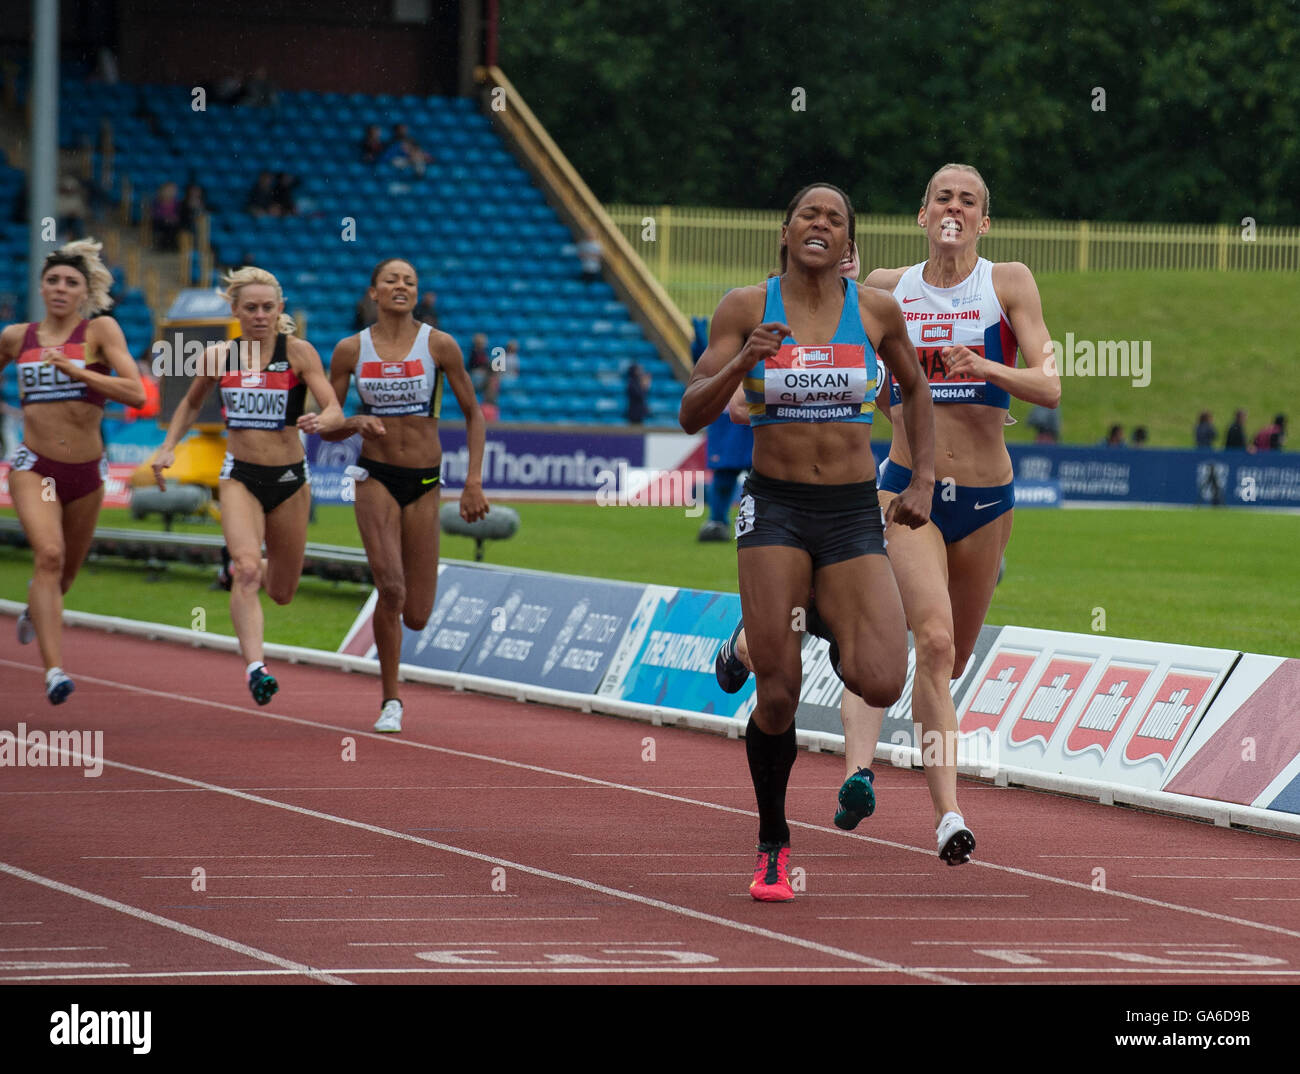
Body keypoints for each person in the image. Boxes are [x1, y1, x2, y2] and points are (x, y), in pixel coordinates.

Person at [717, 165, 1059, 868]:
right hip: (907, 491)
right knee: (929, 645)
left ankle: (756, 638)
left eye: (969, 200)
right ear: (921, 212)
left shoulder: (1009, 282)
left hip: (990, 498)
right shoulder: (887, 287)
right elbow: (865, 376)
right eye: (943, 197)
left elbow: (1049, 385)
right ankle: (947, 818)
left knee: (952, 658)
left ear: (985, 221)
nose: (955, 208)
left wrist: (987, 368)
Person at [679, 183, 936, 902]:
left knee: (884, 677)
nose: (820, 224)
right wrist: (739, 363)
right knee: (780, 695)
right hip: (777, 508)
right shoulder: (744, 307)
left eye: (835, 219)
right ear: (786, 232)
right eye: (808, 215)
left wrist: (922, 480)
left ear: (849, 243)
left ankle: (799, 614)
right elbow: (691, 409)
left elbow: (918, 390)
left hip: (851, 511)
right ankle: (771, 843)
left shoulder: (877, 311)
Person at [152, 266, 343, 705]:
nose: (260, 315)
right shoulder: (218, 357)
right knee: (249, 569)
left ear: (280, 310)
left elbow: (333, 408)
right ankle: (256, 669)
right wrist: (167, 447)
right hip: (240, 476)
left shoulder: (299, 353)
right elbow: (190, 402)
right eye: (251, 308)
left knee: (281, 591)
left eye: (268, 307)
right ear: (235, 310)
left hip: (291, 480)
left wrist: (322, 419)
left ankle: (240, 565)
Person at [321, 258, 489, 732]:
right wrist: (353, 421)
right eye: (391, 280)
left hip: (424, 483)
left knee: (415, 614)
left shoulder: (438, 345)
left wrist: (472, 482)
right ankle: (390, 701)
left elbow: (474, 415)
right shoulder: (350, 350)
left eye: (409, 281)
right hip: (373, 476)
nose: (401, 286)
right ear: (373, 292)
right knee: (390, 588)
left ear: (417, 293)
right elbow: (327, 423)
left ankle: (394, 674)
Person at [0, 239, 145, 703]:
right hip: (34, 467)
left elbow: (136, 393)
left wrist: (77, 370)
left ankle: (37, 608)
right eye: (53, 281)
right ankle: (55, 672)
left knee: (64, 577)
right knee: (49, 555)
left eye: (71, 282)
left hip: (86, 473)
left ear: (84, 293)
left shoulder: (100, 331)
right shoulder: (15, 337)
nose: (61, 288)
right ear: (41, 288)